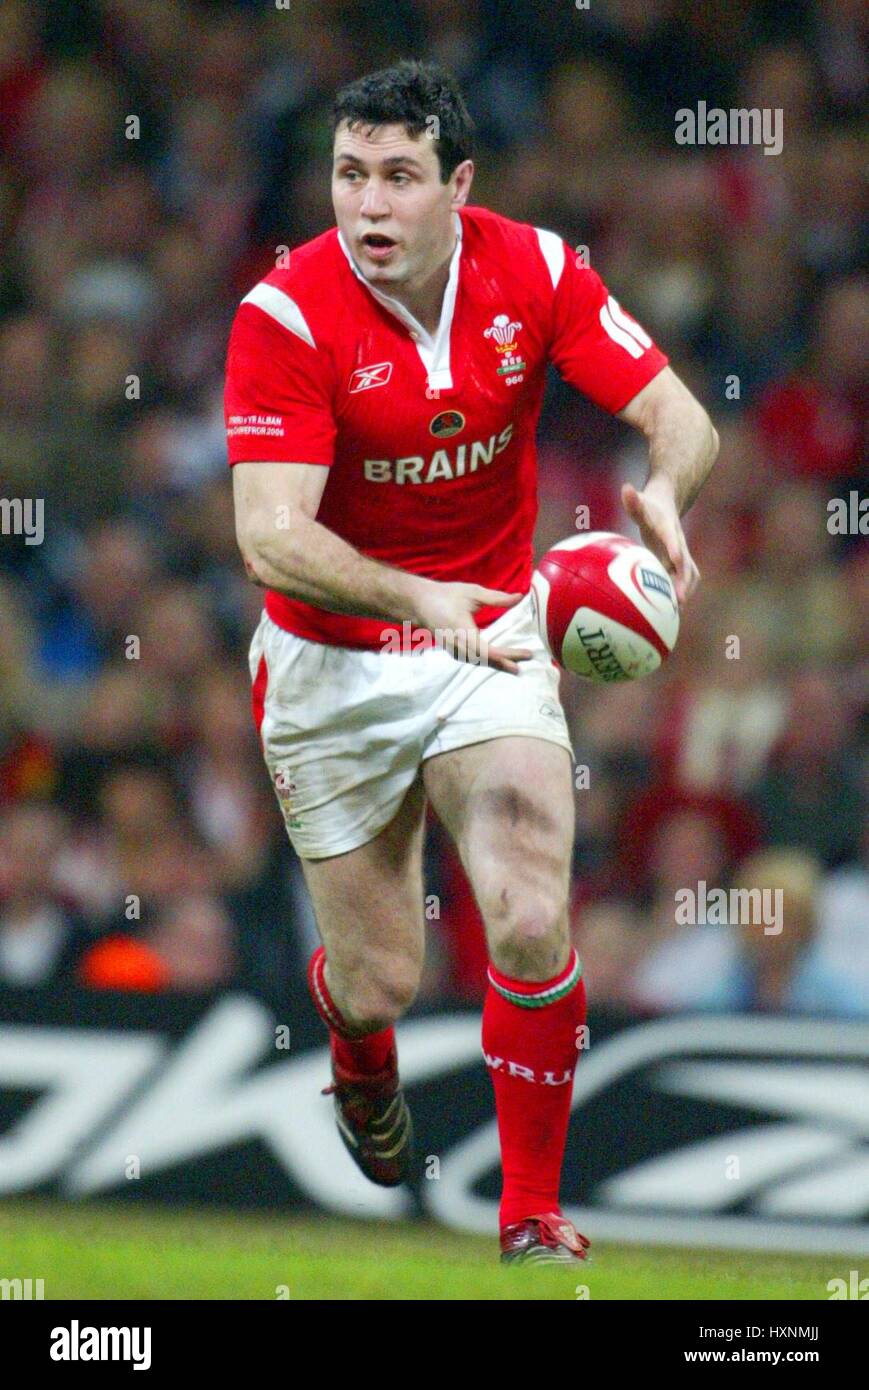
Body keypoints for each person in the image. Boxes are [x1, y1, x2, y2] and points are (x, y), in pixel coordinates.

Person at [225, 60, 718, 1265]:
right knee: (381, 975)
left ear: (458, 184)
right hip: (330, 664)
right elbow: (269, 536)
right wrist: (412, 597)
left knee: (528, 911)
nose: (369, 206)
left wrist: (664, 485)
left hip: (489, 640)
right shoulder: (283, 316)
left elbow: (680, 414)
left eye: (398, 176)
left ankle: (532, 1219)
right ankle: (358, 1062)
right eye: (350, 175)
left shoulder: (535, 270)